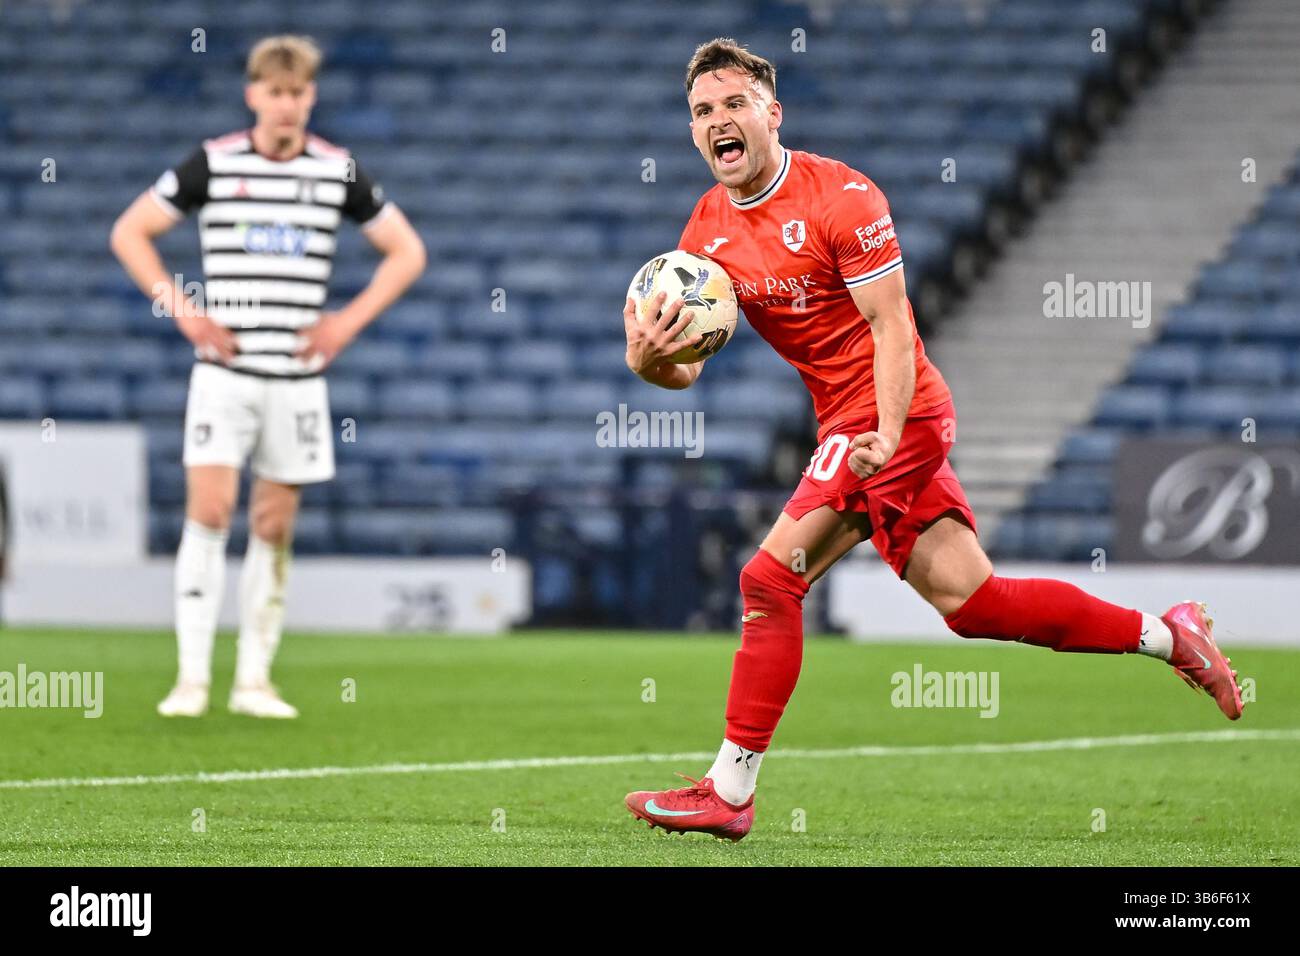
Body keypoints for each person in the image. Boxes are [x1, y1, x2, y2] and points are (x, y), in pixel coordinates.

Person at [621, 38, 1242, 841]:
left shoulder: (843, 198)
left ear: (773, 113)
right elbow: (686, 377)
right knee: (973, 604)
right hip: (854, 425)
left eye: (734, 103)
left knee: (769, 582)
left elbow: (890, 328)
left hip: (896, 416)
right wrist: (647, 362)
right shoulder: (706, 229)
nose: (717, 121)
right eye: (702, 111)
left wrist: (881, 433)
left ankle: (729, 792)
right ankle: (1171, 634)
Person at [110, 35, 427, 718]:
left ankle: (254, 679)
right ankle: (191, 679)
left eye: (298, 93)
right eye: (275, 92)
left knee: (274, 522)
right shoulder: (213, 164)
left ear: (310, 97)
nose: (287, 105)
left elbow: (406, 252)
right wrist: (185, 313)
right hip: (223, 371)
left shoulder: (337, 170)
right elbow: (130, 232)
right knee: (210, 511)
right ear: (254, 94)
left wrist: (346, 322)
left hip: (296, 375)